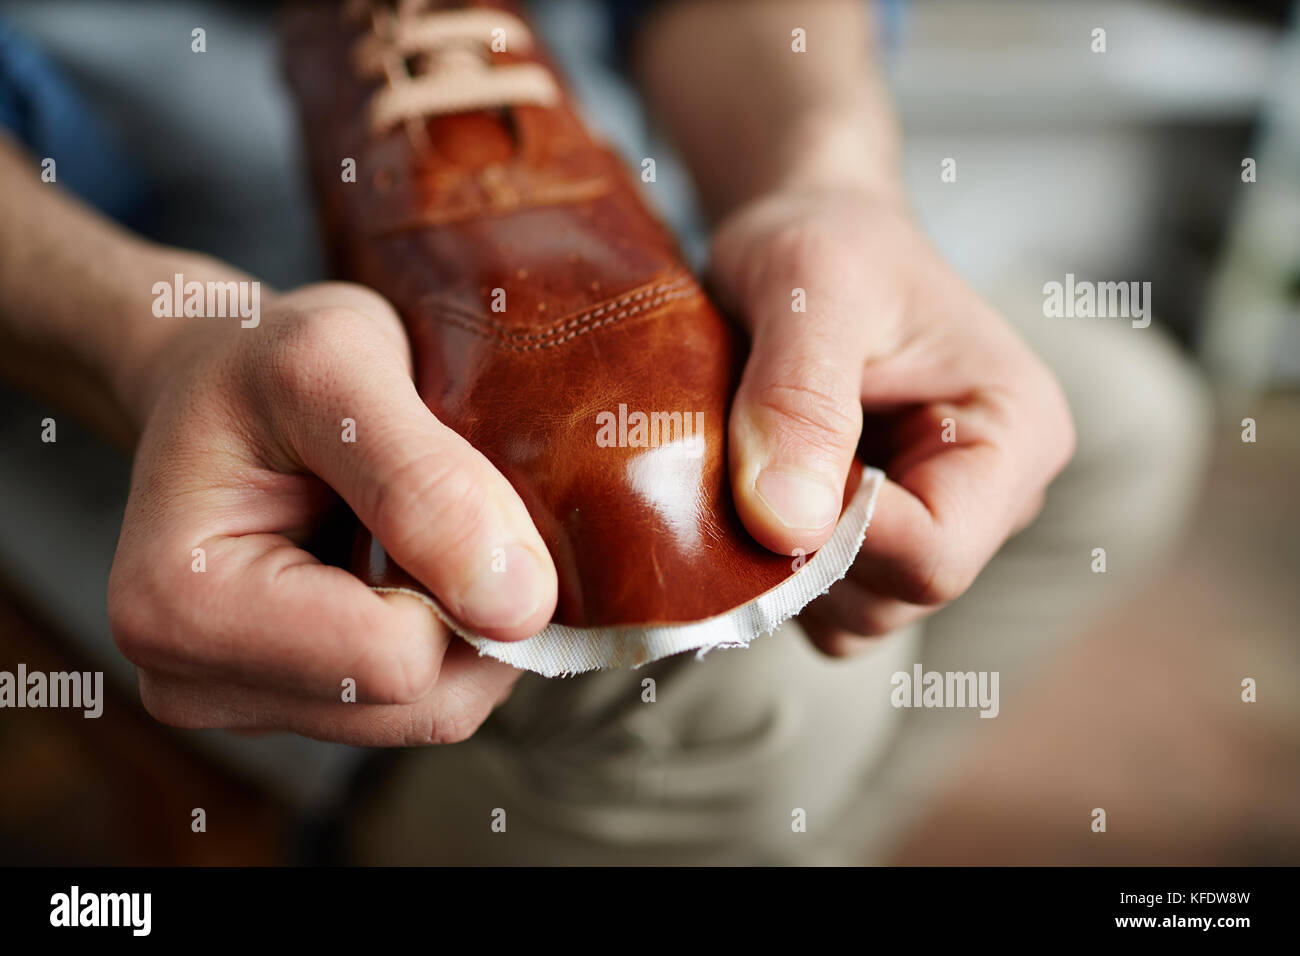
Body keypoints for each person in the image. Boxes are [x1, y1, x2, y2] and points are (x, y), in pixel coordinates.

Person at [0, 0, 1208, 863]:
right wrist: (139, 342)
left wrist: (825, 183)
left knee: (1123, 422)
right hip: (129, 288)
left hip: (621, 209)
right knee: (750, 694)